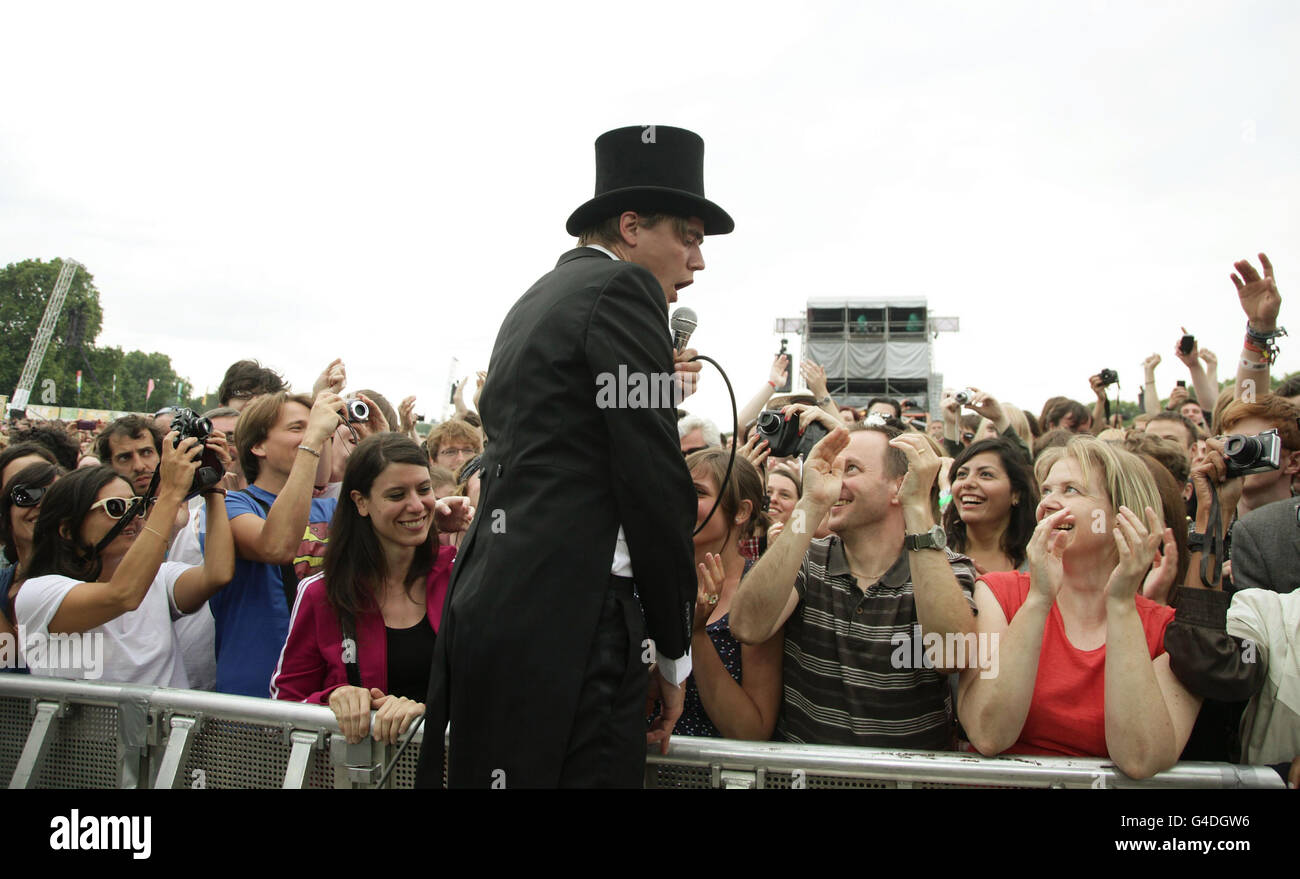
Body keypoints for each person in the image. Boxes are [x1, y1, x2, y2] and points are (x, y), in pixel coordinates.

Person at [415, 124, 727, 789]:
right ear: (632, 224)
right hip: (573, 625)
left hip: (497, 606)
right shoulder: (625, 292)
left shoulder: (538, 296)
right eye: (690, 237)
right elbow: (655, 485)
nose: (697, 263)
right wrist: (673, 657)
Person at [730, 409, 979, 749]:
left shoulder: (948, 568)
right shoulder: (808, 559)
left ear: (899, 486)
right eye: (833, 468)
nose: (836, 481)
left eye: (851, 469)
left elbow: (951, 655)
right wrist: (811, 503)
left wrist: (917, 510)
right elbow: (747, 626)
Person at [958, 436, 1200, 778]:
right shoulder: (1000, 593)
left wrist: (1120, 605)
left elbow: (1139, 758)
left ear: (1121, 516)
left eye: (1071, 490)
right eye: (1047, 492)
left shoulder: (1168, 630)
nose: (1048, 504)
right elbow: (989, 734)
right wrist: (1039, 599)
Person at [271, 434, 465, 744]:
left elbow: (499, 683)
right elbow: (285, 704)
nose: (416, 505)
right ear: (361, 502)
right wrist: (332, 700)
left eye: (424, 489)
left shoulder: (462, 576)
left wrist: (427, 714)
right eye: (396, 494)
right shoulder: (321, 594)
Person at [15, 435, 235, 685]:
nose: (133, 517)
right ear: (67, 530)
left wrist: (213, 489)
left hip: (158, 725)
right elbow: (123, 595)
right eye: (116, 508)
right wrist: (171, 494)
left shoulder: (156, 577)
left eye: (136, 506)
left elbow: (216, 574)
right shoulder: (38, 593)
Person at [668, 450, 781, 739]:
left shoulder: (758, 589)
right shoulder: (646, 576)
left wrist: (697, 634)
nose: (680, 498)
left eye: (696, 492)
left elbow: (751, 731)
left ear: (741, 512)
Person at [943, 438, 1038, 575]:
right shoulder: (937, 553)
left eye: (985, 475)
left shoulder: (1039, 560)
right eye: (962, 474)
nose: (968, 483)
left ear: (1016, 493)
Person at [0, 461, 62, 662]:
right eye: (26, 496)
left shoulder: (87, 580)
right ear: (7, 516)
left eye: (54, 497)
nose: (40, 505)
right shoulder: (2, 580)